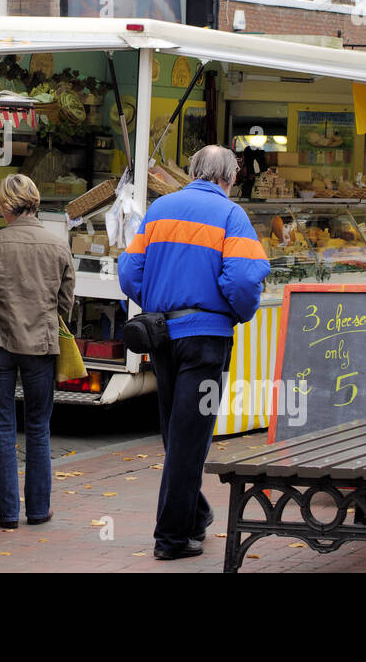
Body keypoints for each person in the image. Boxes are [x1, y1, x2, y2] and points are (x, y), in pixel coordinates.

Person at [118, 145, 270, 560]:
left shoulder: (161, 208)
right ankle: (171, 538)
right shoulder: (231, 216)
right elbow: (243, 280)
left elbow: (129, 272)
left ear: (193, 171)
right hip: (205, 339)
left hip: (162, 335)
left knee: (176, 432)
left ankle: (195, 515)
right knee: (188, 439)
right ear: (230, 177)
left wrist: (156, 298)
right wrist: (235, 314)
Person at [0, 174, 74, 529]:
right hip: (41, 344)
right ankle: (39, 510)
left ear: (8, 206)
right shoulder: (58, 245)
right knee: (39, 427)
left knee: (3, 426)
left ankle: (7, 513)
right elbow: (66, 303)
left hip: (0, 343)